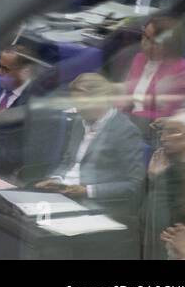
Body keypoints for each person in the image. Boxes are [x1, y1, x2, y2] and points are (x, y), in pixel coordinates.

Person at [35, 73, 146, 216]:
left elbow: (134, 185)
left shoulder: (125, 131)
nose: (78, 109)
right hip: (65, 194)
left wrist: (87, 191)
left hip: (96, 204)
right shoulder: (80, 122)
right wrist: (56, 179)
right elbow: (69, 161)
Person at [143, 108, 185, 259]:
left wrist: (158, 180)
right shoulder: (171, 166)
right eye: (162, 133)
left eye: (172, 131)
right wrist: (155, 178)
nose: (163, 139)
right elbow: (149, 220)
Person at [124, 16, 185, 127]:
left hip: (154, 128)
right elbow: (127, 96)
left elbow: (167, 114)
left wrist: (130, 117)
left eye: (155, 42)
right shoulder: (139, 58)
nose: (146, 45)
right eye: (145, 37)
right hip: (128, 122)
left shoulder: (184, 71)